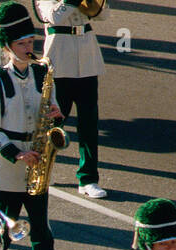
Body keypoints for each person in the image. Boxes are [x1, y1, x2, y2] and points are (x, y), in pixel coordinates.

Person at [0, 2, 69, 250]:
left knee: (42, 231)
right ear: (7, 46)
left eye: (31, 41)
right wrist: (18, 154)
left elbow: (53, 111)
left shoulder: (43, 71)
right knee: (4, 229)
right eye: (22, 43)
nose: (29, 47)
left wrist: (58, 117)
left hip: (38, 162)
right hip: (9, 166)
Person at [34, 0, 110, 198]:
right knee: (54, 122)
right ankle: (41, 169)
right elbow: (52, 16)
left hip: (87, 58)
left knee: (89, 124)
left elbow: (103, 15)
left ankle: (88, 178)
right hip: (60, 61)